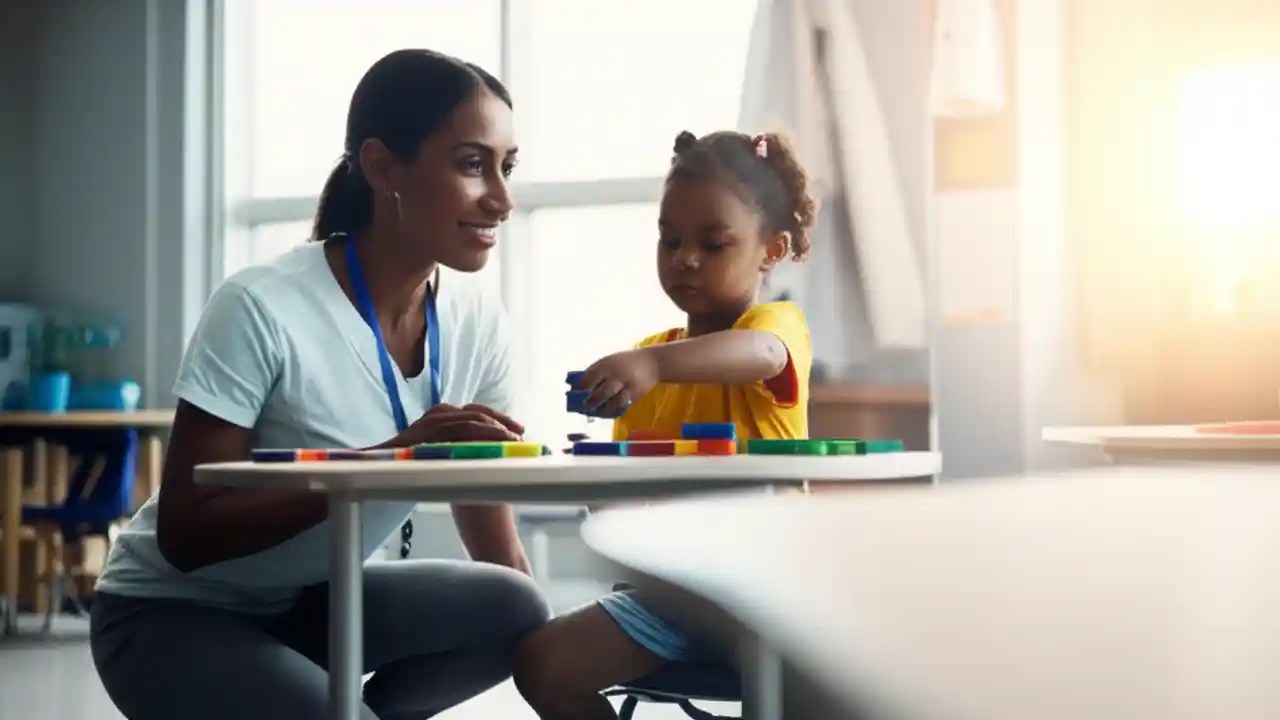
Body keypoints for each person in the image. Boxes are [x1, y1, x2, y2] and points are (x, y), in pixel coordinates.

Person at [89, 49, 550, 720]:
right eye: (472, 164)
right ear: (382, 166)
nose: (503, 200)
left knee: (519, 607)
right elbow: (185, 538)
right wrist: (388, 459)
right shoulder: (261, 304)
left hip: (308, 602)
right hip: (169, 612)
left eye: (507, 167)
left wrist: (562, 662)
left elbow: (496, 542)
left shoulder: (476, 319)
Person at [513, 129, 818, 719]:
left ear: (771, 251)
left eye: (714, 243)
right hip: (673, 596)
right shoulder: (647, 363)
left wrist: (653, 366)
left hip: (771, 592)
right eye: (670, 239)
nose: (685, 259)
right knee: (541, 663)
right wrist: (594, 484)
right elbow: (625, 509)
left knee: (801, 681)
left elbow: (761, 355)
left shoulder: (778, 327)